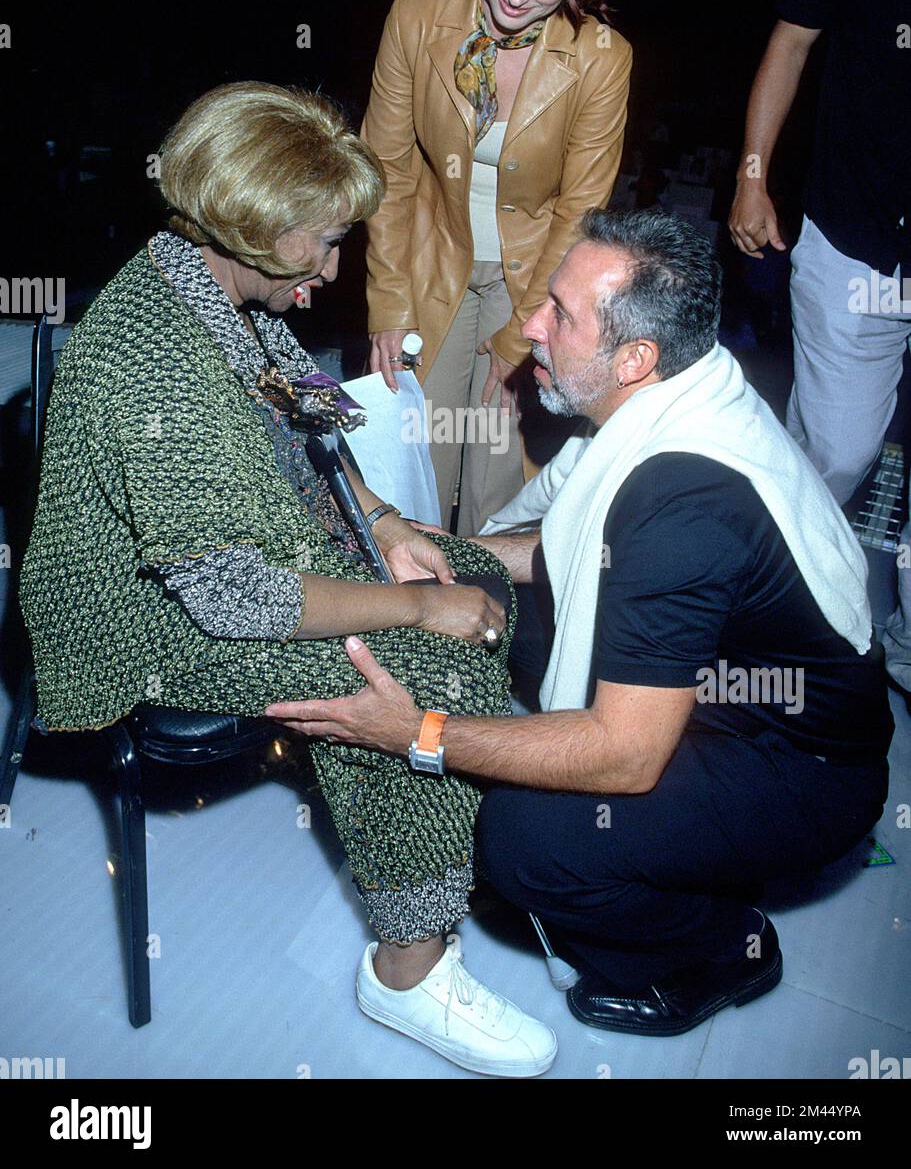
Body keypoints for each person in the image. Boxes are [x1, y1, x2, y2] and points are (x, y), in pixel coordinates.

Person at [18, 81, 558, 1078]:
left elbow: (308, 401)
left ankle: (453, 846)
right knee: (416, 680)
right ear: (259, 230)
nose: (336, 264)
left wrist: (388, 522)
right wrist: (409, 602)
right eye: (323, 241)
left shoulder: (214, 281)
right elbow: (233, 598)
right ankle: (404, 971)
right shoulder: (155, 368)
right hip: (148, 624)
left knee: (473, 571)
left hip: (239, 562)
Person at [269, 208, 894, 1037]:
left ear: (632, 357)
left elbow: (625, 756)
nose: (529, 325)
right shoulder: (680, 394)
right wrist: (438, 548)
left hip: (802, 765)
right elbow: (573, 547)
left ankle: (725, 948)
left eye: (559, 314)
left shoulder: (682, 505)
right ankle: (659, 852)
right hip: (728, 680)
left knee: (526, 839)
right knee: (484, 595)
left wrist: (415, 732)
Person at [361, 0, 634, 534]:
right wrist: (387, 302)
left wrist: (523, 335)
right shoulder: (414, 17)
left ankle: (487, 627)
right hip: (430, 262)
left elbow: (580, 211)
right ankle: (414, 627)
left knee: (496, 485)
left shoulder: (604, 58)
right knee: (414, 472)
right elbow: (387, 171)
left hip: (536, 282)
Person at [727, 0, 911, 686]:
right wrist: (751, 175)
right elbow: (791, 38)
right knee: (832, 454)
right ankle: (761, 620)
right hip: (852, 231)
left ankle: (900, 650)